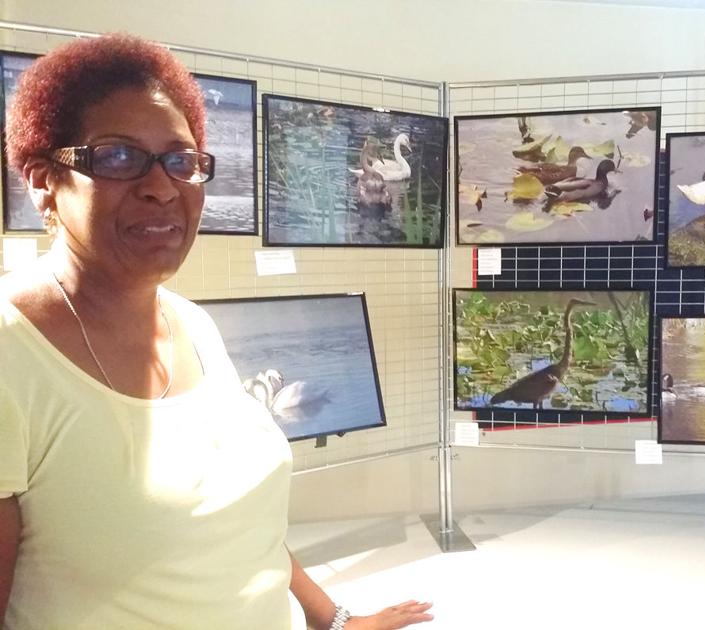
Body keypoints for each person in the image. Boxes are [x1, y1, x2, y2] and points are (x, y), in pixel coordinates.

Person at [0, 33, 433, 630]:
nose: (161, 186)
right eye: (118, 157)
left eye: (181, 161)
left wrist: (331, 618)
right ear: (44, 180)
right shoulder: (11, 354)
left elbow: (235, 522)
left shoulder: (192, 324)